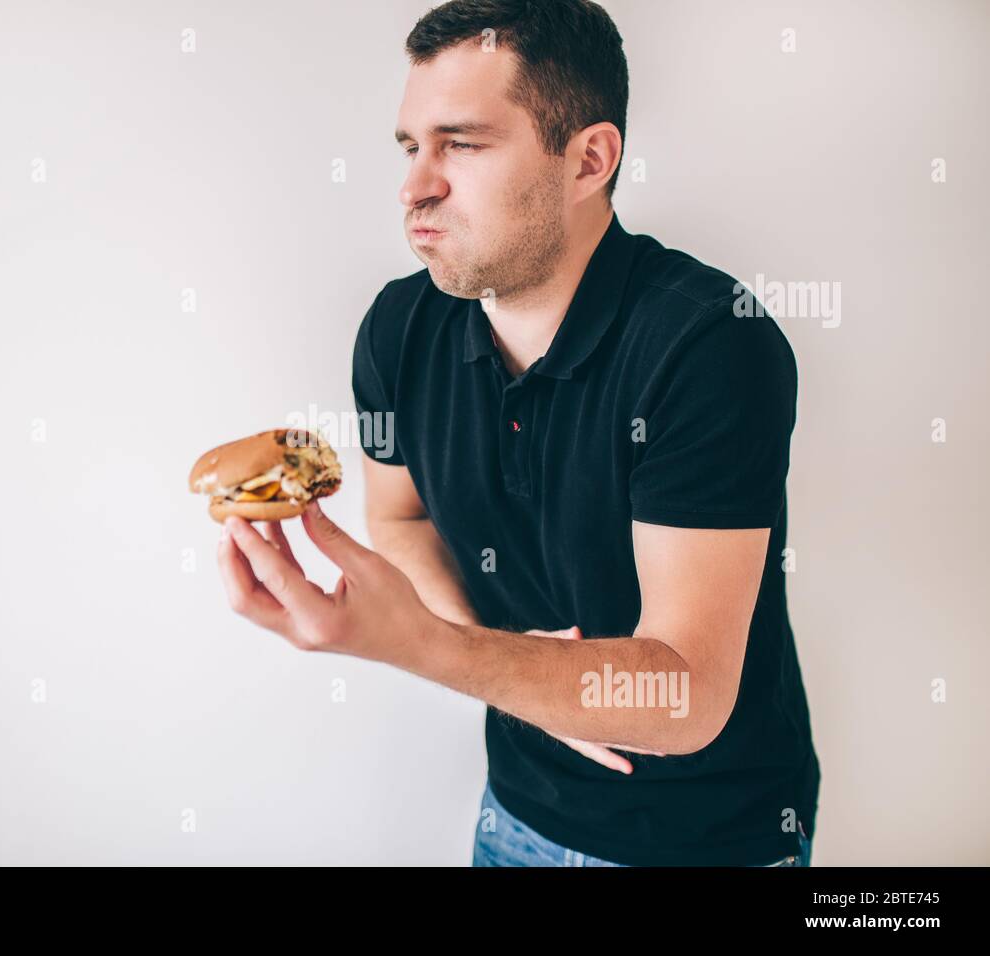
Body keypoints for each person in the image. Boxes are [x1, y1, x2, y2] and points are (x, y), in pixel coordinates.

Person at [217, 0, 819, 867]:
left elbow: (685, 692)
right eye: (410, 146)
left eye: (461, 144)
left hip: (711, 838)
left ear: (588, 159)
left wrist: (432, 646)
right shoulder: (396, 330)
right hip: (516, 818)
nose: (415, 185)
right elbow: (403, 520)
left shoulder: (710, 342)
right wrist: (515, 678)